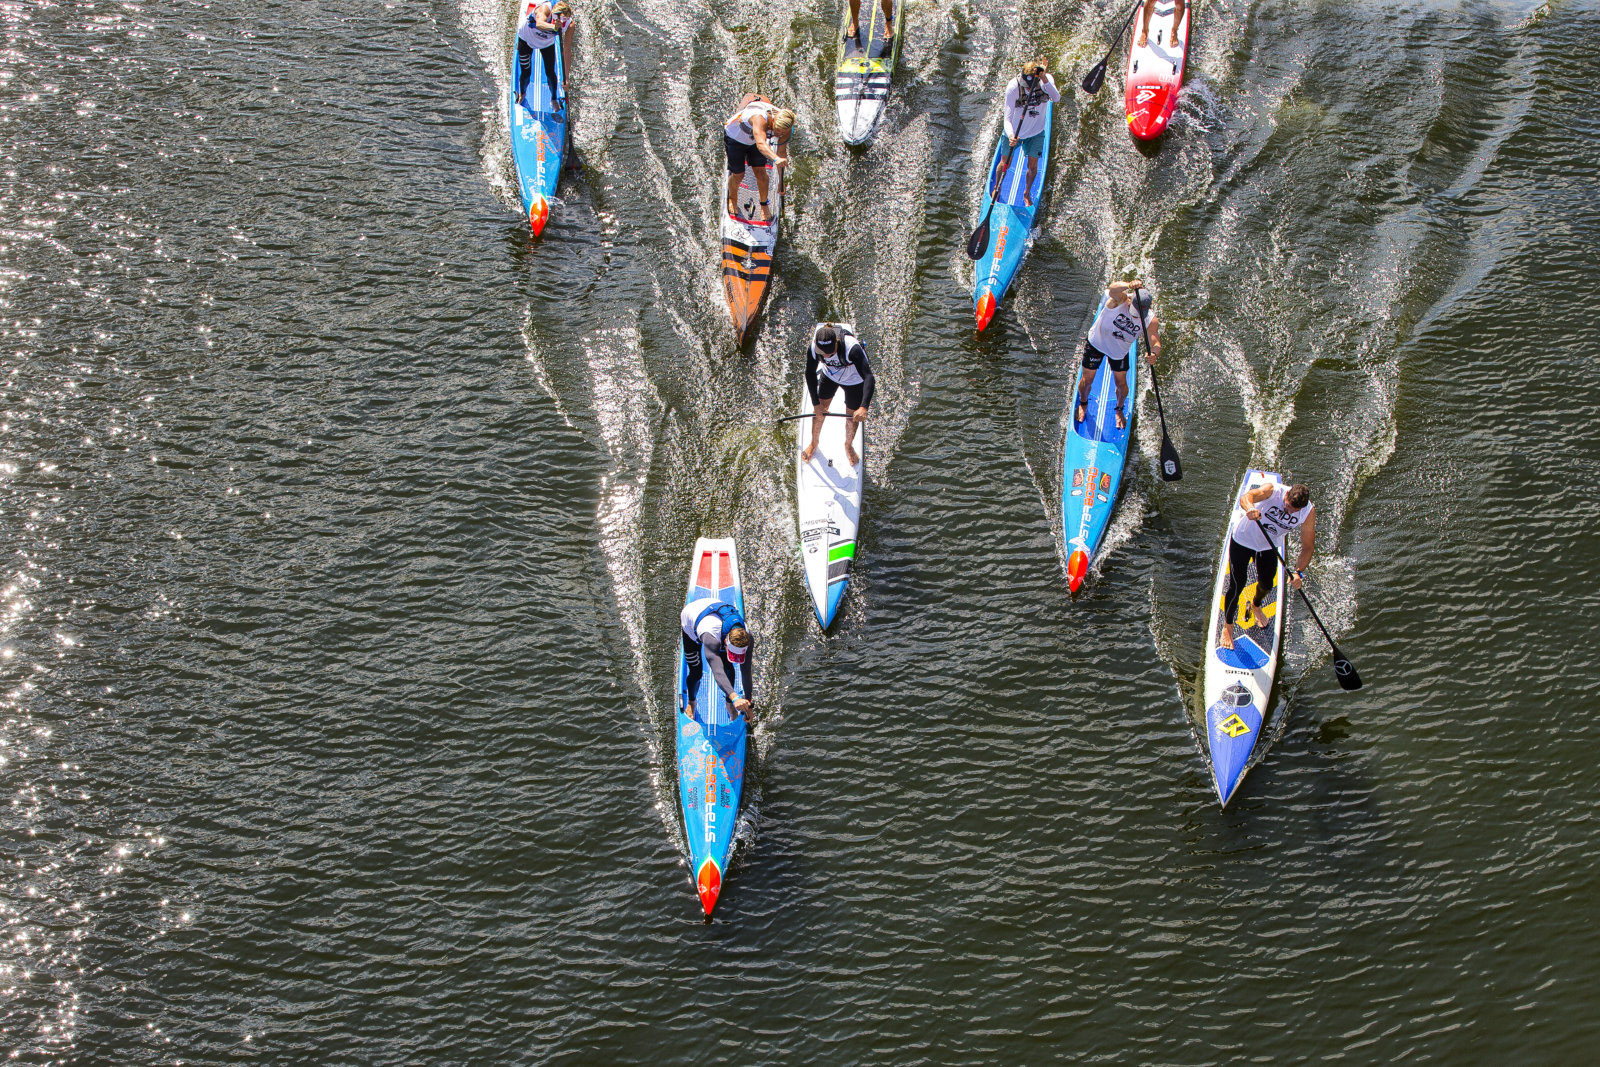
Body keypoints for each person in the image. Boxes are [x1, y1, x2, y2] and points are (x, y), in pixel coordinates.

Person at [1219, 480, 1316, 651]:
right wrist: (1250, 508)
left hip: (1268, 546)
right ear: (1286, 496)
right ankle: (1228, 626)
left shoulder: (1308, 512)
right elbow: (1247, 497)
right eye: (1289, 506)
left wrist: (1298, 572)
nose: (1291, 512)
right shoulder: (1274, 491)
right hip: (1243, 541)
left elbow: (1308, 547)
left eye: (1296, 510)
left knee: (1267, 585)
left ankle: (1256, 605)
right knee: (1237, 585)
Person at [1073, 279, 1161, 432]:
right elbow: (1112, 288)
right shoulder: (1119, 300)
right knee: (1087, 381)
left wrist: (1153, 353)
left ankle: (1119, 409)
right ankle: (1083, 402)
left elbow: (1156, 343)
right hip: (1096, 344)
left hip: (1119, 352)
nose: (1137, 316)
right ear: (1130, 300)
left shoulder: (1150, 320)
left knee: (1121, 385)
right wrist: (1129, 285)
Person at [802, 323, 876, 469]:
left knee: (851, 417)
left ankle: (848, 445)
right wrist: (816, 404)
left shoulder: (852, 348)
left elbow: (869, 377)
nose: (827, 356)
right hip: (830, 376)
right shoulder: (813, 348)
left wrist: (863, 407)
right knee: (819, 411)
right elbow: (809, 373)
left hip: (854, 381)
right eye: (823, 353)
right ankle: (813, 443)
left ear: (836, 342)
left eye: (830, 352)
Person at [991, 59, 1060, 209]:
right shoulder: (1013, 87)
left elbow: (1056, 98)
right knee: (1005, 163)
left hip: (1036, 132)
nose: (1028, 90)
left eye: (1031, 87)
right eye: (1025, 86)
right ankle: (997, 187)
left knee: (1033, 166)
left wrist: (1044, 79)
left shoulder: (1045, 82)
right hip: (1015, 132)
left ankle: (1026, 193)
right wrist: (1010, 135)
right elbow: (1007, 119)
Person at [680, 596, 753, 723]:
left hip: (715, 611)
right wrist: (736, 698)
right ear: (726, 642)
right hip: (692, 620)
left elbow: (746, 671)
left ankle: (729, 704)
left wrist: (749, 703)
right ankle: (692, 701)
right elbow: (717, 671)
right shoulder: (711, 638)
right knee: (696, 671)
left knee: (729, 668)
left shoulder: (748, 638)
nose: (736, 659)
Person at [723, 97, 794, 223]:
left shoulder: (787, 128)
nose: (779, 135)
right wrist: (775, 158)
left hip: (755, 141)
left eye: (783, 133)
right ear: (773, 122)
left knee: (761, 172)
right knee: (739, 174)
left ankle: (763, 205)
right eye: (778, 131)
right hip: (736, 138)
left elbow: (781, 154)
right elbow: (761, 144)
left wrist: (781, 182)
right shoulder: (759, 119)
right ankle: (732, 198)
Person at [516, 1, 574, 112]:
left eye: (565, 20)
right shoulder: (544, 9)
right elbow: (539, 24)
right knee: (526, 72)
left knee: (551, 73)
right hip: (526, 39)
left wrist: (566, 77)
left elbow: (567, 50)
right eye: (560, 19)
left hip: (546, 44)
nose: (562, 22)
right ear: (553, 14)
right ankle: (522, 94)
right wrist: (554, 27)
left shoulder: (570, 25)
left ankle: (553, 100)